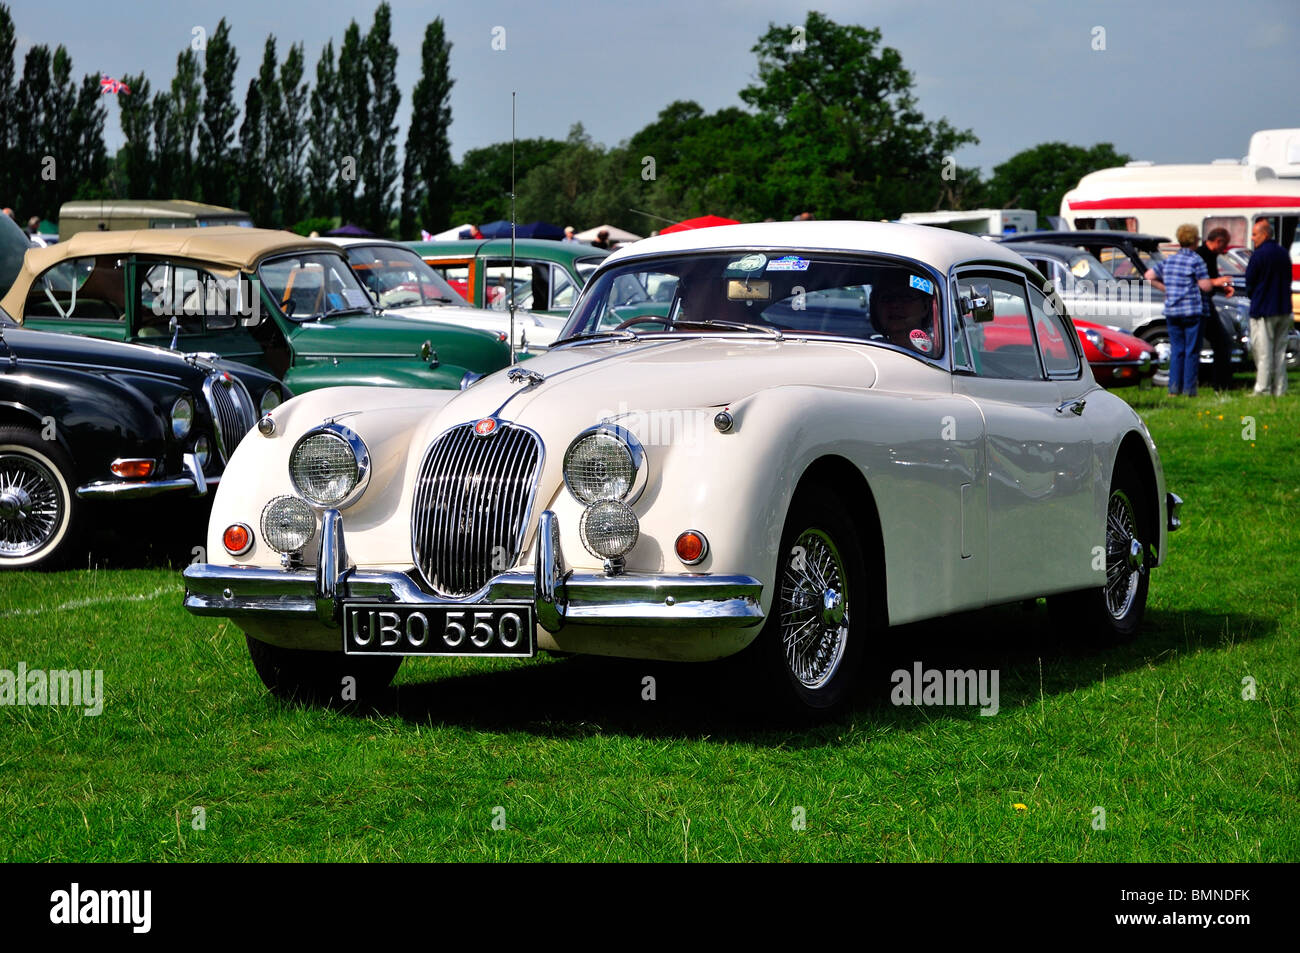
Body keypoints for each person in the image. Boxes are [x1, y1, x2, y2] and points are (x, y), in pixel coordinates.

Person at [1144, 224, 1230, 396]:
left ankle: (1173, 389)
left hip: (1172, 311)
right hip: (1192, 311)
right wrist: (1217, 282)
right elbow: (1205, 286)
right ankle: (1189, 389)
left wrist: (1166, 288)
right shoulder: (1196, 260)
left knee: (1177, 350)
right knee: (1191, 351)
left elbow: (1149, 276)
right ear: (1195, 240)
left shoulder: (1169, 260)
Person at [1244, 219, 1294, 396]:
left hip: (1264, 310)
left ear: (1264, 235)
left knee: (1263, 352)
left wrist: (1253, 296)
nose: (1252, 238)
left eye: (1255, 234)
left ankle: (1262, 388)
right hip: (1284, 308)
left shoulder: (1258, 255)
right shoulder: (1282, 253)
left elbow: (1250, 281)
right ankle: (1280, 388)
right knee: (1279, 352)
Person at [1195, 226, 1235, 390]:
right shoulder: (1201, 255)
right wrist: (1216, 283)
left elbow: (1209, 281)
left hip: (1205, 303)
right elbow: (1199, 281)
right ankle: (1220, 383)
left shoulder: (1210, 255)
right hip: (1199, 304)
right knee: (1220, 342)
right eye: (1223, 245)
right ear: (1218, 241)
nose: (1224, 250)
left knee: (1218, 343)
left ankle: (1219, 381)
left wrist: (1221, 287)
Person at [871, 273, 936, 354]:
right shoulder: (870, 351)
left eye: (906, 297)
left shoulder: (937, 355)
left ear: (925, 306)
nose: (894, 305)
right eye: (886, 298)